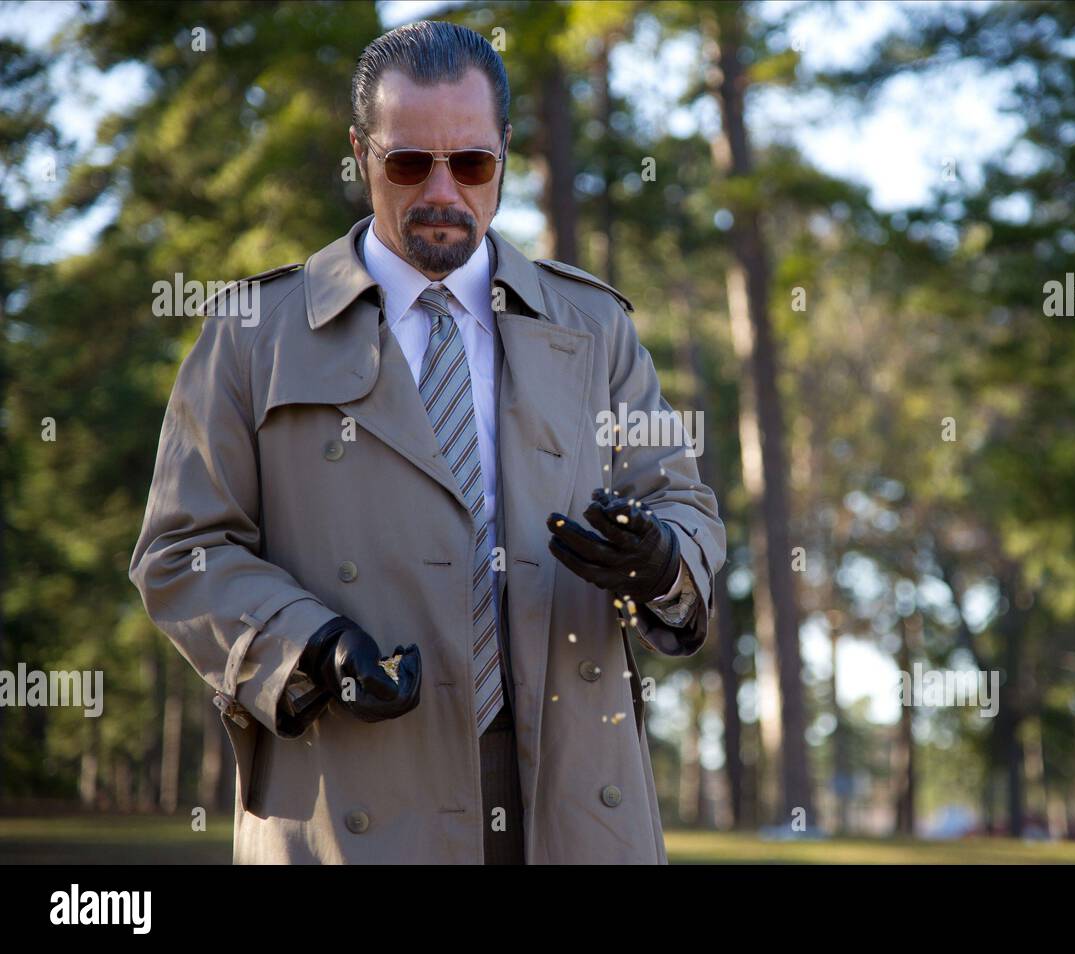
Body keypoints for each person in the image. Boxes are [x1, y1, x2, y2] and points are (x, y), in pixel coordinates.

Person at [128, 20, 725, 864]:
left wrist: (661, 559)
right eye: (410, 163)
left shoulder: (596, 327)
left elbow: (685, 505)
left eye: (472, 164)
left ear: (506, 154)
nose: (443, 191)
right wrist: (310, 647)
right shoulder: (250, 333)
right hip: (354, 799)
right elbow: (180, 550)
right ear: (361, 154)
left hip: (574, 804)